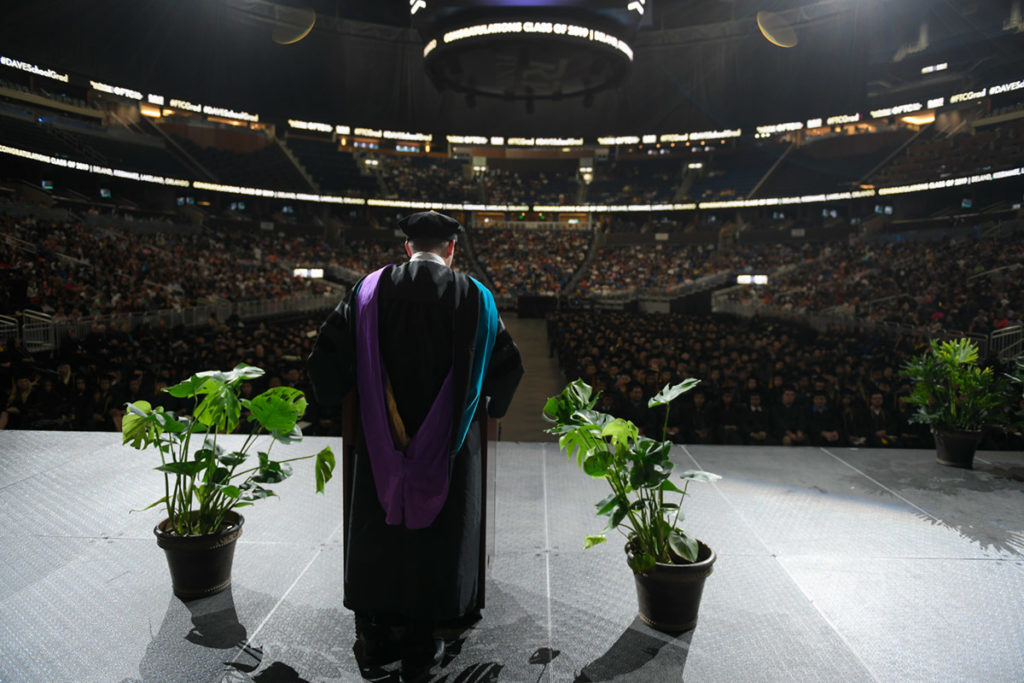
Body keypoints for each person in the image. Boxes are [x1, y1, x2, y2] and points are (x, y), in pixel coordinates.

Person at [307, 211, 523, 682]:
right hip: (451, 446)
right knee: (439, 539)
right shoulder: (478, 299)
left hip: (379, 442)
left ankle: (376, 633)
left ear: (407, 247)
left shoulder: (367, 292)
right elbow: (508, 367)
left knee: (381, 531)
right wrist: (492, 403)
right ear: (451, 250)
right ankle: (426, 643)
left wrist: (337, 396)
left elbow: (326, 358)